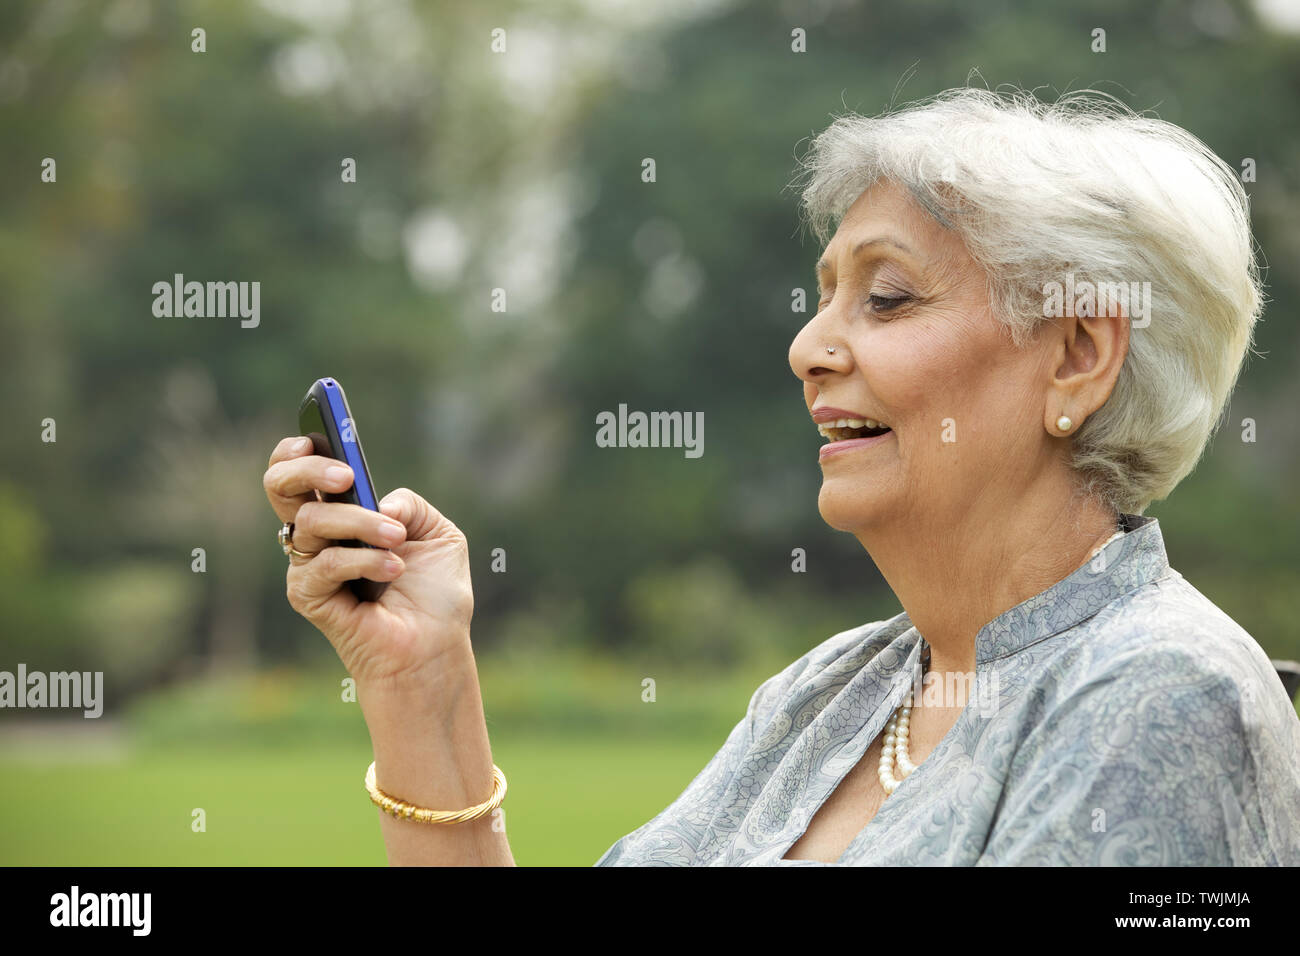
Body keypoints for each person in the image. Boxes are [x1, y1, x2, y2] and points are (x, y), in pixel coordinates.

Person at [262, 88, 1300, 866]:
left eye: (886, 297)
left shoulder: (1167, 693)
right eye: (825, 296)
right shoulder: (827, 690)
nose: (809, 346)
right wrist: (420, 679)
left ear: (1075, 355)